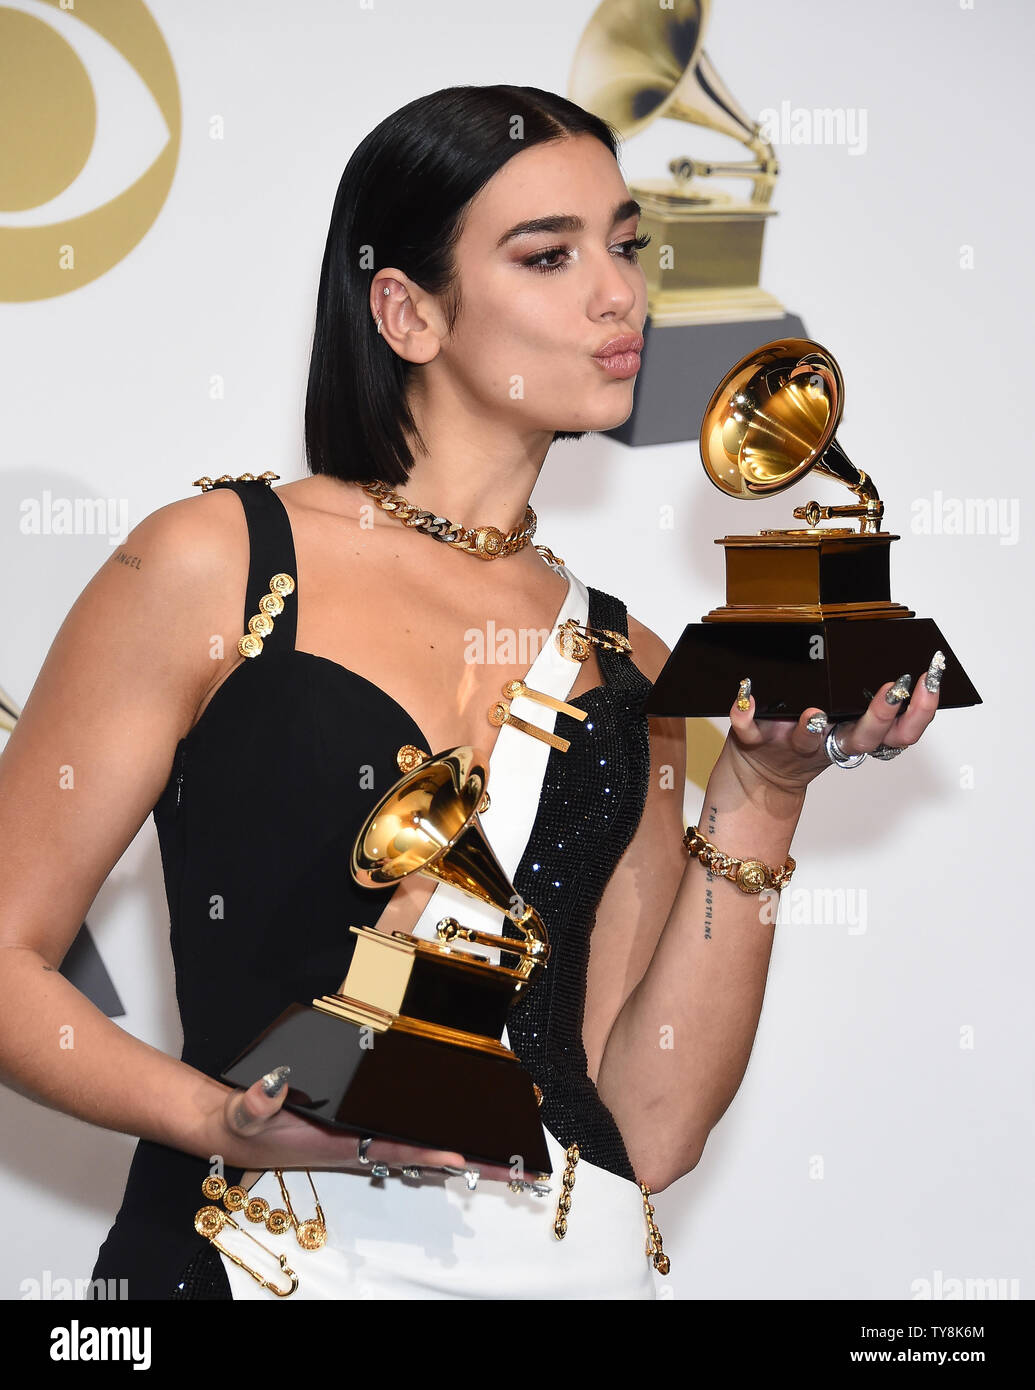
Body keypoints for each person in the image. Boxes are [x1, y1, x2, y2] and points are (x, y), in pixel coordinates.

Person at [0, 85, 943, 1301]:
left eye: (626, 245)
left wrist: (760, 797)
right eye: (548, 255)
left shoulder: (635, 663)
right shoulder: (216, 562)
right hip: (249, 1258)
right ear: (405, 311)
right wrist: (227, 1120)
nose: (619, 293)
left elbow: (645, 1127)